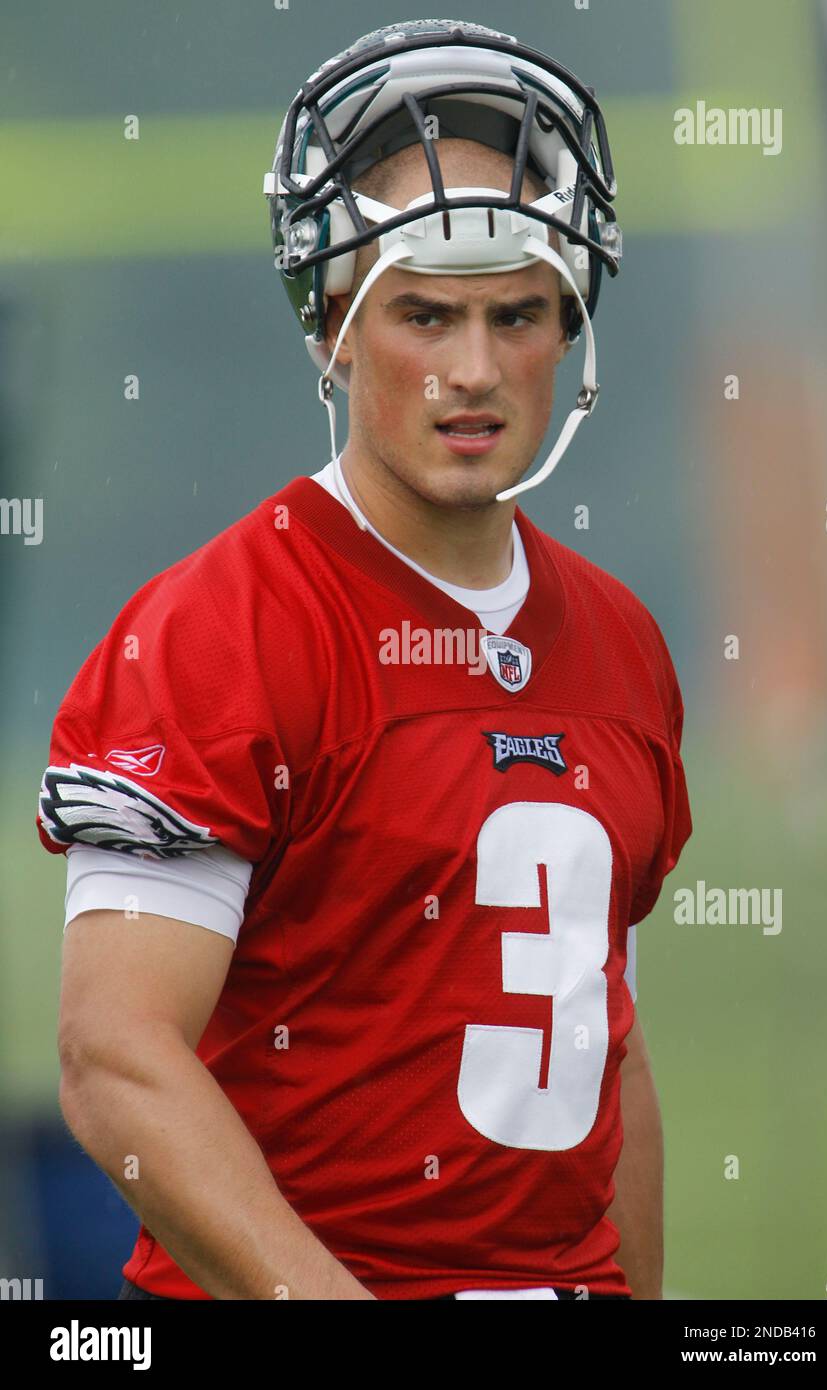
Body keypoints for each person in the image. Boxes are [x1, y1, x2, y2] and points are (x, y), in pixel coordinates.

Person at [37, 19, 691, 1300]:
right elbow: (113, 1054)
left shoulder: (619, 642)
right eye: (424, 315)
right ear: (333, 324)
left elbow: (609, 1051)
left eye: (516, 314)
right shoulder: (224, 624)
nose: (473, 369)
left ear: (569, 324)